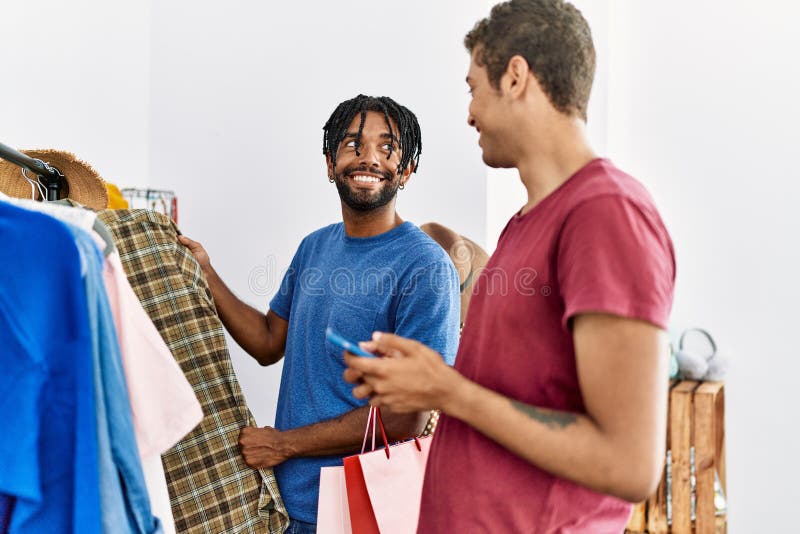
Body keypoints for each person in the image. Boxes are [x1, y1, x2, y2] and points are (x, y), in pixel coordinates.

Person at [344, 1, 676, 532]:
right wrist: (422, 378)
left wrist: (446, 391)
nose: (469, 113)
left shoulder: (605, 213)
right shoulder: (524, 225)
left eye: (474, 88)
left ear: (515, 77)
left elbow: (628, 464)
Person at [179, 94, 460, 533]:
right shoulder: (314, 246)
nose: (369, 158)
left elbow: (408, 415)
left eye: (387, 148)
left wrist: (284, 444)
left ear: (406, 170)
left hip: (362, 512)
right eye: (352, 145)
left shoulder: (425, 266)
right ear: (330, 163)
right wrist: (206, 273)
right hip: (286, 503)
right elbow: (269, 341)